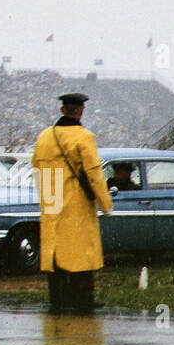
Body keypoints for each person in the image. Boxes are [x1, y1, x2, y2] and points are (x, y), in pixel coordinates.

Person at [32, 92, 113, 314]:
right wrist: (106, 204)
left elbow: (37, 169)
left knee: (55, 253)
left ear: (62, 110)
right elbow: (94, 173)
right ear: (80, 111)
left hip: (52, 201)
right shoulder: (84, 137)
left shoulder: (44, 137)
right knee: (80, 253)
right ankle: (82, 300)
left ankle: (58, 300)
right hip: (75, 203)